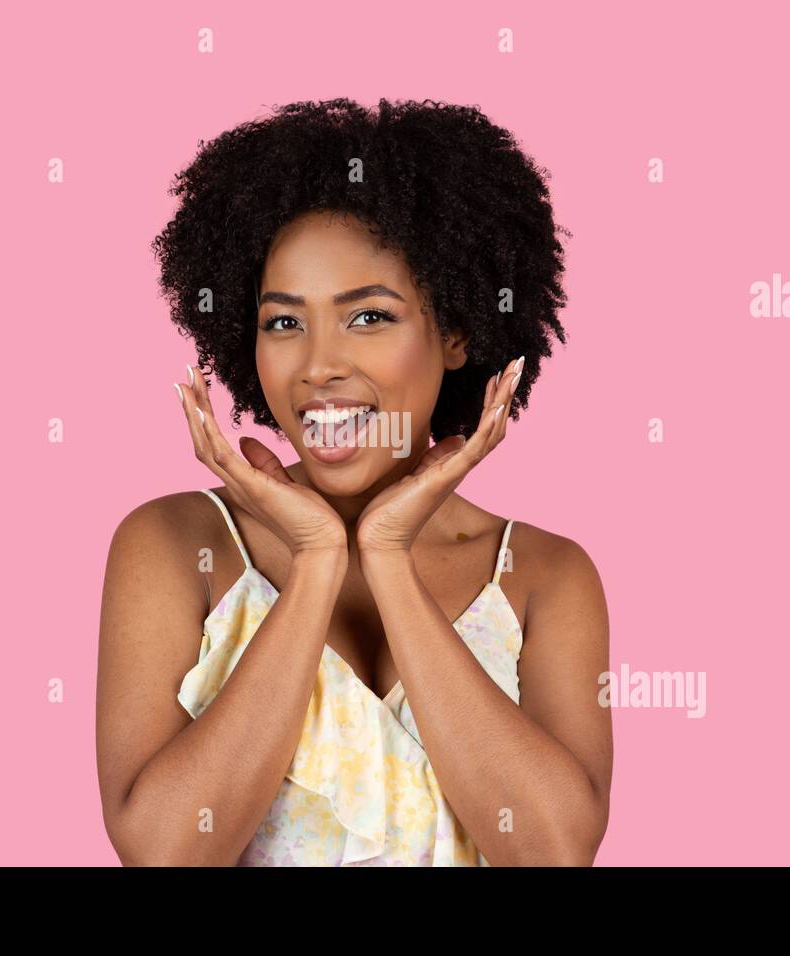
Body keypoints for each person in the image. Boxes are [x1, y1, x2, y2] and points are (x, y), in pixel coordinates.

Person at [97, 98, 612, 866]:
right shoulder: (175, 546)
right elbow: (166, 853)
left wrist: (389, 556)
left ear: (456, 332)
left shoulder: (544, 576)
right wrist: (314, 564)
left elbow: (552, 852)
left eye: (368, 317)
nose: (318, 365)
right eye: (283, 322)